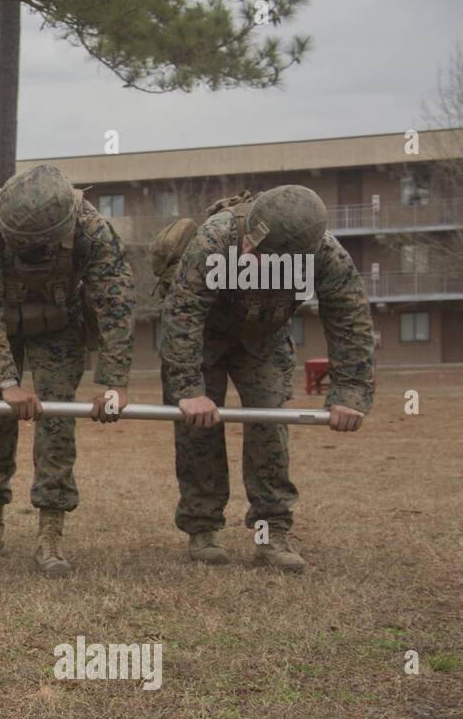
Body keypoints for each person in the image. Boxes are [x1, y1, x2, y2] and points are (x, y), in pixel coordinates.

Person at [160, 184, 374, 572]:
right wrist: (189, 389)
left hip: (263, 338)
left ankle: (270, 533)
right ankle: (203, 529)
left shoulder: (325, 255)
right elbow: (182, 312)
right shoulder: (216, 238)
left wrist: (351, 391)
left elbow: (350, 319)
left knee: (269, 425)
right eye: (249, 245)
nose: (249, 254)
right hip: (204, 336)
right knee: (198, 428)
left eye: (262, 254)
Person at [0, 164, 136, 575]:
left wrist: (114, 382)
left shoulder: (93, 230)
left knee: (57, 420)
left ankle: (50, 533)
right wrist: (6, 381)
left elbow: (116, 305)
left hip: (60, 325)